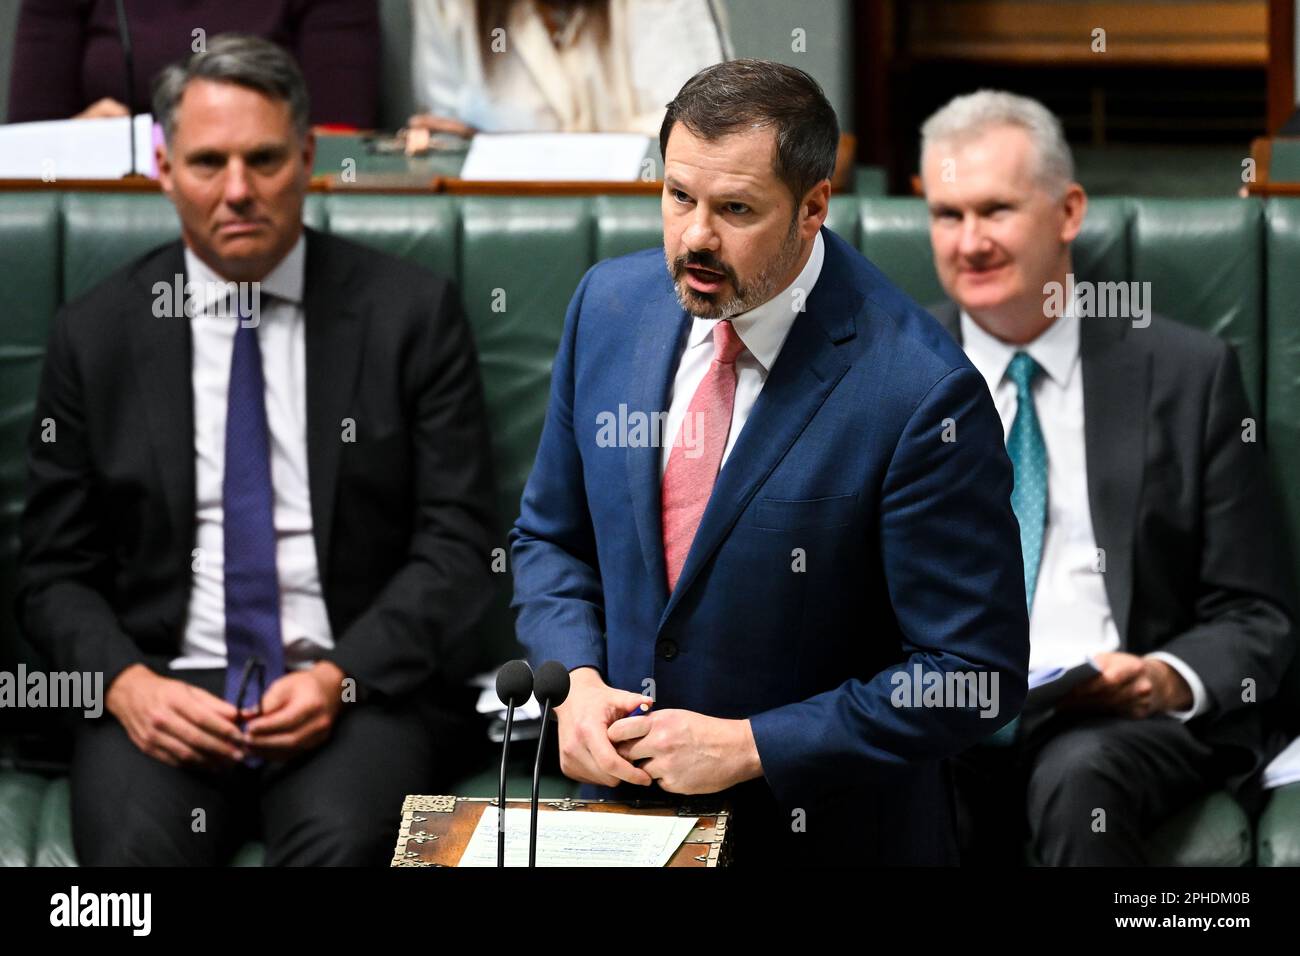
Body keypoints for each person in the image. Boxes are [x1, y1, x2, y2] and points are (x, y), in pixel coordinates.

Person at [509, 59, 1030, 866]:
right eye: (679, 197)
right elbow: (552, 539)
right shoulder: (608, 309)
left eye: (736, 209)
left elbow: (972, 673)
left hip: (824, 837)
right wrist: (573, 679)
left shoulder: (921, 393)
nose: (695, 238)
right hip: (620, 825)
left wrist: (756, 744)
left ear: (814, 205)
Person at [16, 34, 497, 866]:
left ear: (308, 158)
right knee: (131, 862)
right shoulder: (97, 335)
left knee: (342, 846)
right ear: (165, 168)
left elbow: (460, 544)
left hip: (351, 686)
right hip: (165, 685)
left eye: (264, 159)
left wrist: (338, 676)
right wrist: (127, 687)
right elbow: (54, 572)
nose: (237, 191)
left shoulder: (409, 313)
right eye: (208, 163)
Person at [920, 90, 1296, 865]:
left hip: (1115, 720)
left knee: (1078, 773)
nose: (970, 242)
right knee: (909, 774)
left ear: (1068, 211)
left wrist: (1164, 677)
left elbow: (1254, 609)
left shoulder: (1186, 374)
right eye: (948, 215)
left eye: (996, 210)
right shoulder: (892, 377)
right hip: (947, 708)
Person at [7, 0, 379, 128]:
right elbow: (27, 160)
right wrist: (76, 148)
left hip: (260, 210)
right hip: (111, 212)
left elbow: (341, 153)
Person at [409, 0, 731, 137]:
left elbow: (699, 133)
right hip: (507, 221)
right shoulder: (449, 7)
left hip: (641, 223)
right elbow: (447, 143)